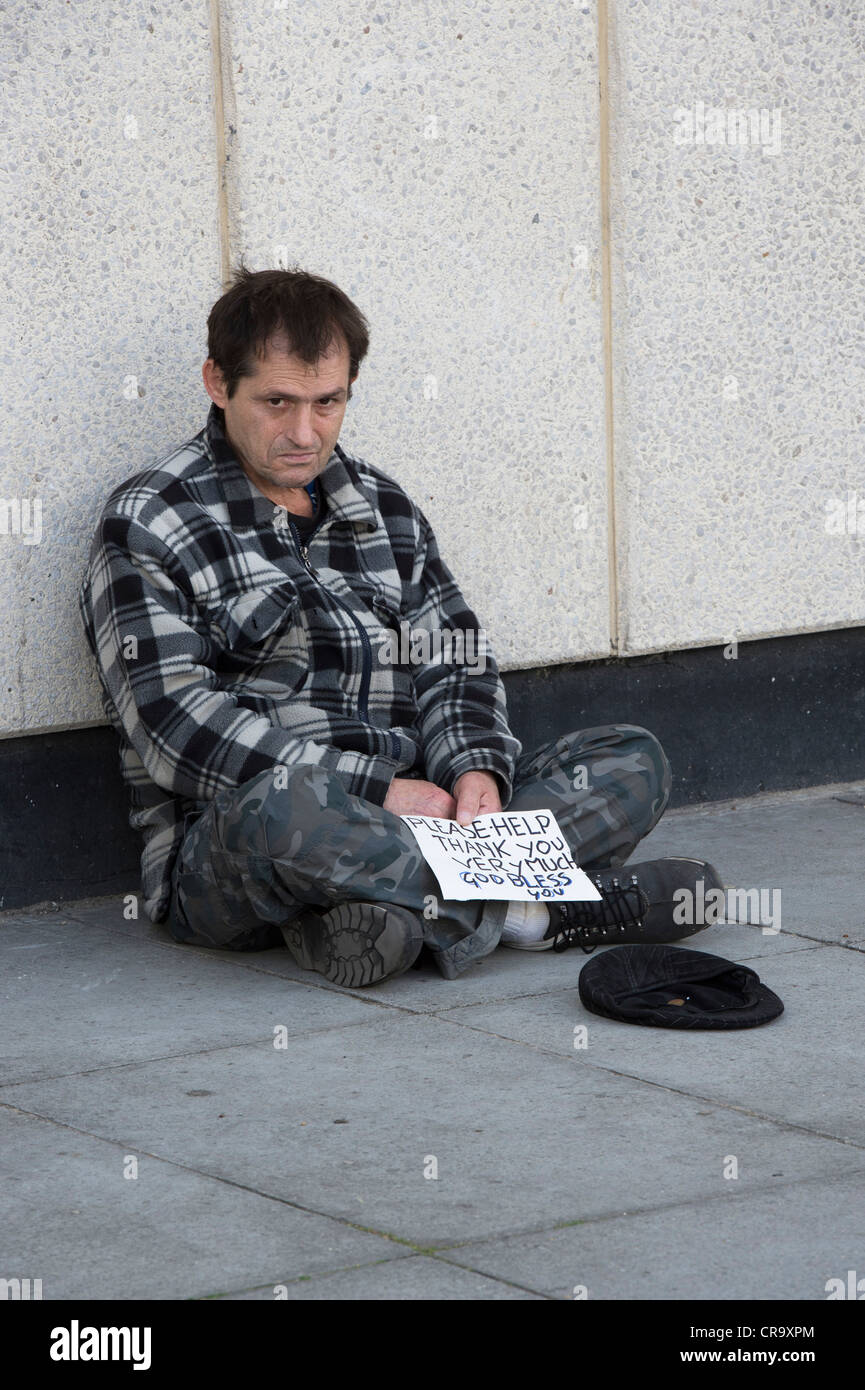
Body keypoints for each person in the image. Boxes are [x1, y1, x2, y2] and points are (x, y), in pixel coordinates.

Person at [78, 265, 723, 987]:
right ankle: (537, 915)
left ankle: (373, 918)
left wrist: (472, 768)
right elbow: (175, 728)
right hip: (249, 837)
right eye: (276, 402)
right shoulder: (148, 520)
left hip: (427, 813)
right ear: (216, 383)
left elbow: (454, 656)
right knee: (286, 813)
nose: (302, 432)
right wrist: (379, 790)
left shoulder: (382, 506)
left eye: (328, 403)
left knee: (629, 757)